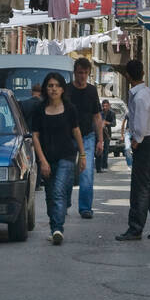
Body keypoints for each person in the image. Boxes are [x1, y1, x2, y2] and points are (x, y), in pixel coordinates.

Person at [115, 60, 150, 242]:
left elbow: (140, 124)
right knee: (147, 186)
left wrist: (136, 142)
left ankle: (136, 228)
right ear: (143, 73)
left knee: (140, 189)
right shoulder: (148, 93)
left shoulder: (139, 96)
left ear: (128, 76)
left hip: (144, 143)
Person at [31, 72, 86, 245]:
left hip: (66, 156)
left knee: (58, 192)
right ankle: (55, 224)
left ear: (62, 89)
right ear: (45, 89)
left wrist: (83, 155)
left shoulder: (70, 109)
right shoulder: (39, 110)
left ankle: (58, 229)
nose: (53, 89)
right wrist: (42, 161)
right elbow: (35, 137)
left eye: (56, 86)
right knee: (50, 195)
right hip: (47, 158)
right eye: (50, 86)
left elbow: (76, 132)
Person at [64, 58, 103, 219]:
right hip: (68, 137)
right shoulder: (66, 90)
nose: (82, 76)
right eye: (80, 73)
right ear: (75, 73)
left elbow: (97, 117)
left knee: (86, 173)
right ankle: (64, 203)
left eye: (86, 73)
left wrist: (100, 140)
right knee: (65, 172)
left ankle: (85, 208)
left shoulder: (92, 91)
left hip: (87, 137)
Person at [97, 99, 116, 172]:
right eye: (103, 106)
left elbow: (114, 124)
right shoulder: (100, 113)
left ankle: (104, 165)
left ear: (109, 106)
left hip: (107, 134)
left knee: (106, 150)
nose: (104, 107)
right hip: (100, 133)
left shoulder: (112, 113)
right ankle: (98, 166)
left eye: (106, 106)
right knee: (99, 150)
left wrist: (106, 123)